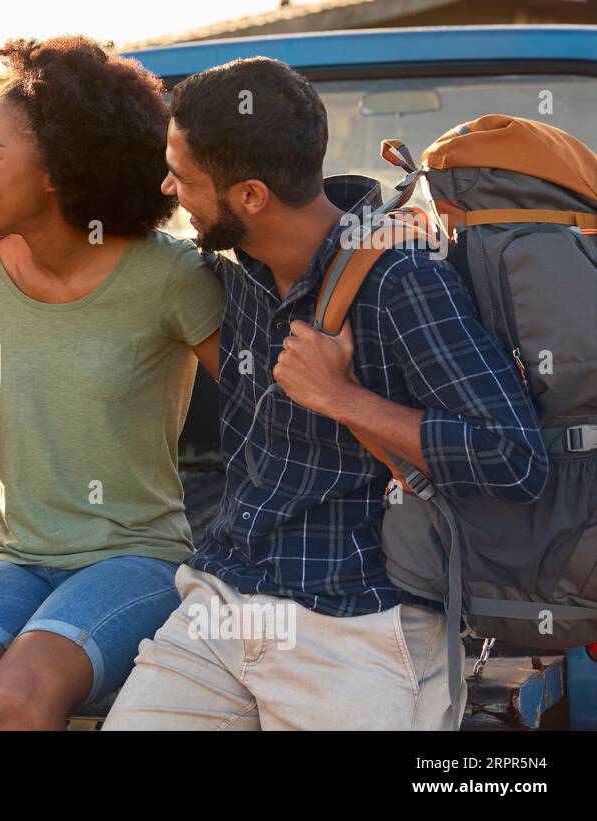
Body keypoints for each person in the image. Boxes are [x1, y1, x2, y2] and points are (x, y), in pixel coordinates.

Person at [102, 57, 549, 730]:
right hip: (221, 603)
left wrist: (344, 397)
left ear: (251, 196)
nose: (168, 186)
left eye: (182, 175)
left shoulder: (401, 281)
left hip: (357, 630)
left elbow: (517, 459)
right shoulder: (242, 270)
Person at [0, 36, 225, 730]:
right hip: (16, 554)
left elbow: (267, 408)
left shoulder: (171, 276)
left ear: (57, 170)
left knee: (20, 693)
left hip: (137, 556)